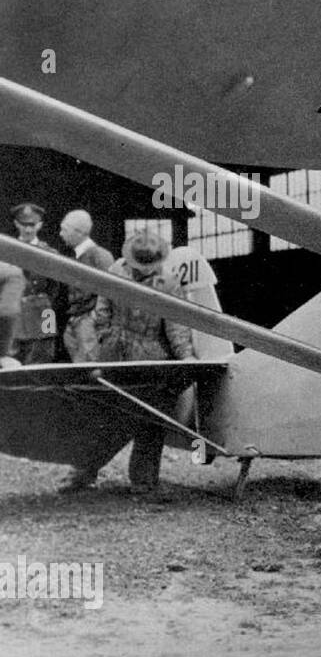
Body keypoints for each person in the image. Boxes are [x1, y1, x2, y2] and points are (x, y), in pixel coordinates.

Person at [61, 232, 196, 494]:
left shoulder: (168, 283)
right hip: (116, 356)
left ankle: (143, 483)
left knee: (152, 421)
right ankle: (82, 474)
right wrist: (106, 339)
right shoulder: (114, 272)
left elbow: (177, 326)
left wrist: (186, 358)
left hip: (152, 361)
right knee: (108, 419)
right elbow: (101, 311)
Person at [58, 209, 115, 362]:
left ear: (79, 232)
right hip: (76, 321)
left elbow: (111, 291)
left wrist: (94, 319)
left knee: (90, 369)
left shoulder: (100, 256)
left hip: (89, 324)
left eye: (64, 230)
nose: (60, 234)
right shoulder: (77, 255)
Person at [9, 202, 59, 364]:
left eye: (32, 225)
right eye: (24, 225)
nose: (28, 230)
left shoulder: (49, 254)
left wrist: (42, 302)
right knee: (11, 362)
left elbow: (55, 289)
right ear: (16, 224)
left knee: (43, 356)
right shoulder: (6, 252)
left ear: (40, 225)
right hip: (13, 311)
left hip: (44, 310)